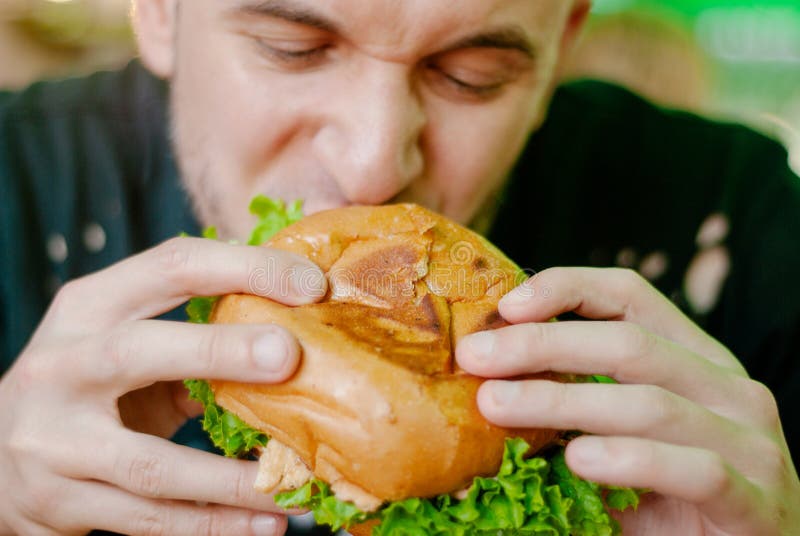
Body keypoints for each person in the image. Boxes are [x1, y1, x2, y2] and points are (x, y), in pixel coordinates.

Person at [1, 0, 799, 534]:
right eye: (293, 49)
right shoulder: (17, 178)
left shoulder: (741, 215)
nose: (374, 167)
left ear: (562, 43)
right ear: (158, 9)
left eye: (470, 76)